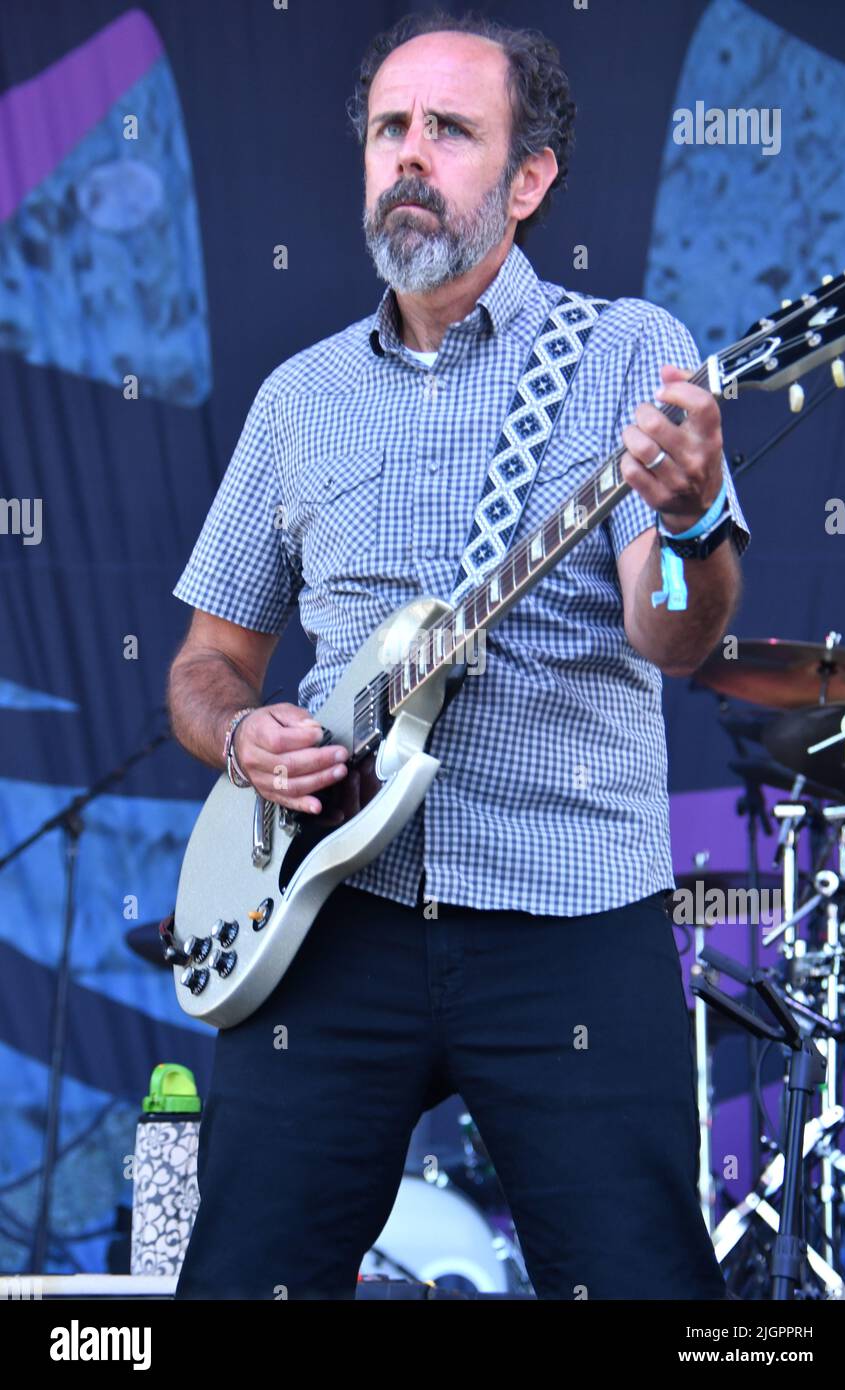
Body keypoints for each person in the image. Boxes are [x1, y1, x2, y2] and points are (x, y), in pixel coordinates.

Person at [169, 10, 748, 1300]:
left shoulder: (627, 358)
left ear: (531, 178)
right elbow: (208, 661)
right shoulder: (298, 397)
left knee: (646, 1290)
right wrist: (239, 733)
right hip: (325, 919)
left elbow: (679, 636)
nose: (409, 155)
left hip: (568, 916)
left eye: (451, 130)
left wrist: (694, 516)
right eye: (390, 127)